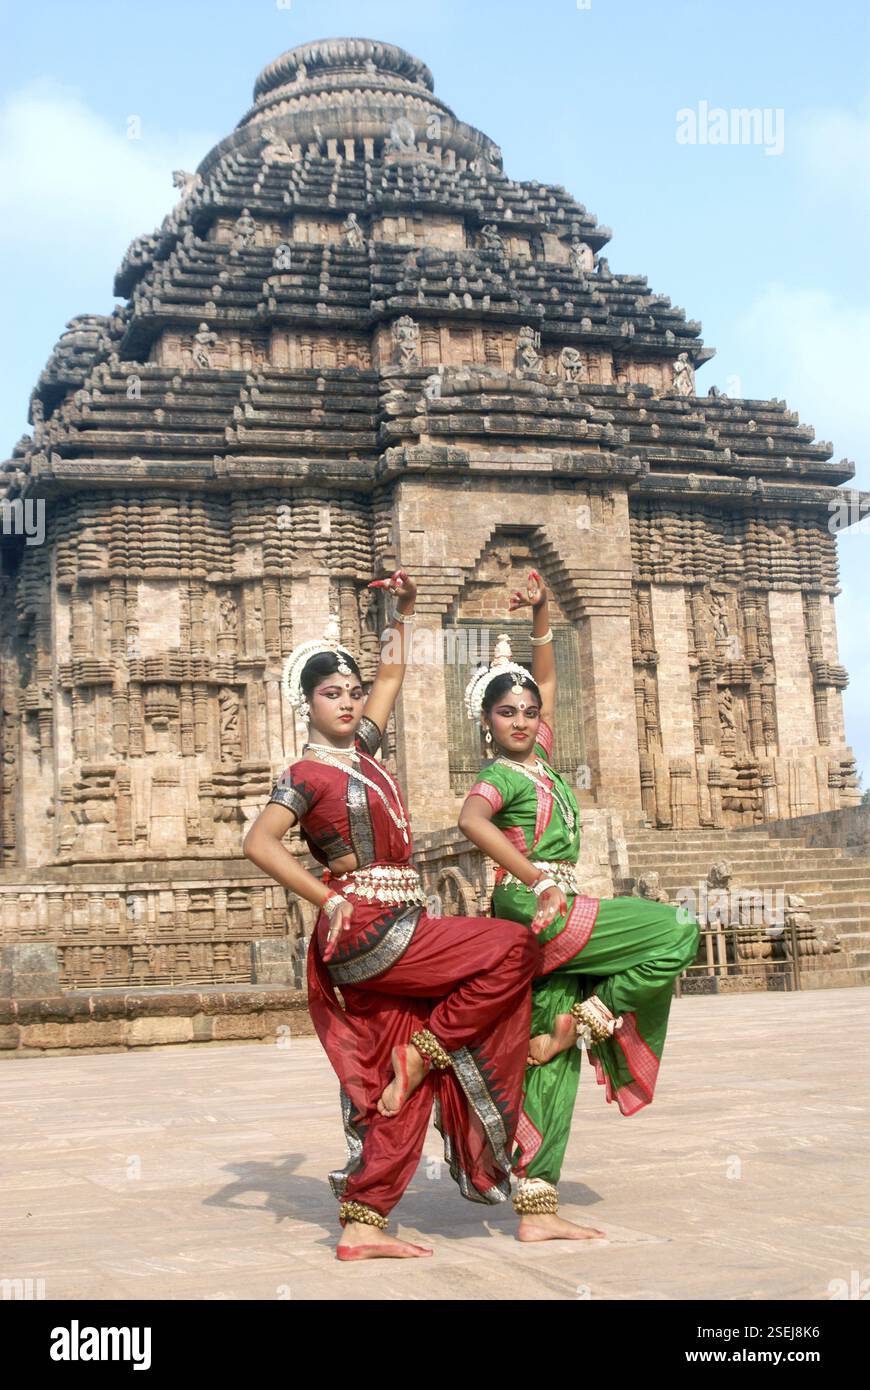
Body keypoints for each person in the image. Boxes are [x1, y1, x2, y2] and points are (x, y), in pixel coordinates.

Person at [243, 570, 540, 1261]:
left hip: (397, 923)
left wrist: (403, 609)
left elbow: (393, 674)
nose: (347, 702)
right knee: (512, 948)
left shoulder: (366, 750)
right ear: (304, 703)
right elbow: (258, 842)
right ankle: (431, 1045)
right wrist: (329, 896)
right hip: (369, 929)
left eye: (351, 692)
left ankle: (364, 1222)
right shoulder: (307, 774)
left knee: (391, 1085)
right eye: (330, 694)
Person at [457, 570, 700, 1242]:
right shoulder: (500, 776)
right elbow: (472, 821)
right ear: (485, 722)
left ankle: (537, 1210)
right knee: (678, 927)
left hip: (551, 910)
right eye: (506, 713)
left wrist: (542, 617)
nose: (521, 720)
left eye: (528, 712)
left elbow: (549, 682)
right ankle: (593, 1018)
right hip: (538, 907)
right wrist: (536, 878)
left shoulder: (543, 763)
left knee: (547, 1057)